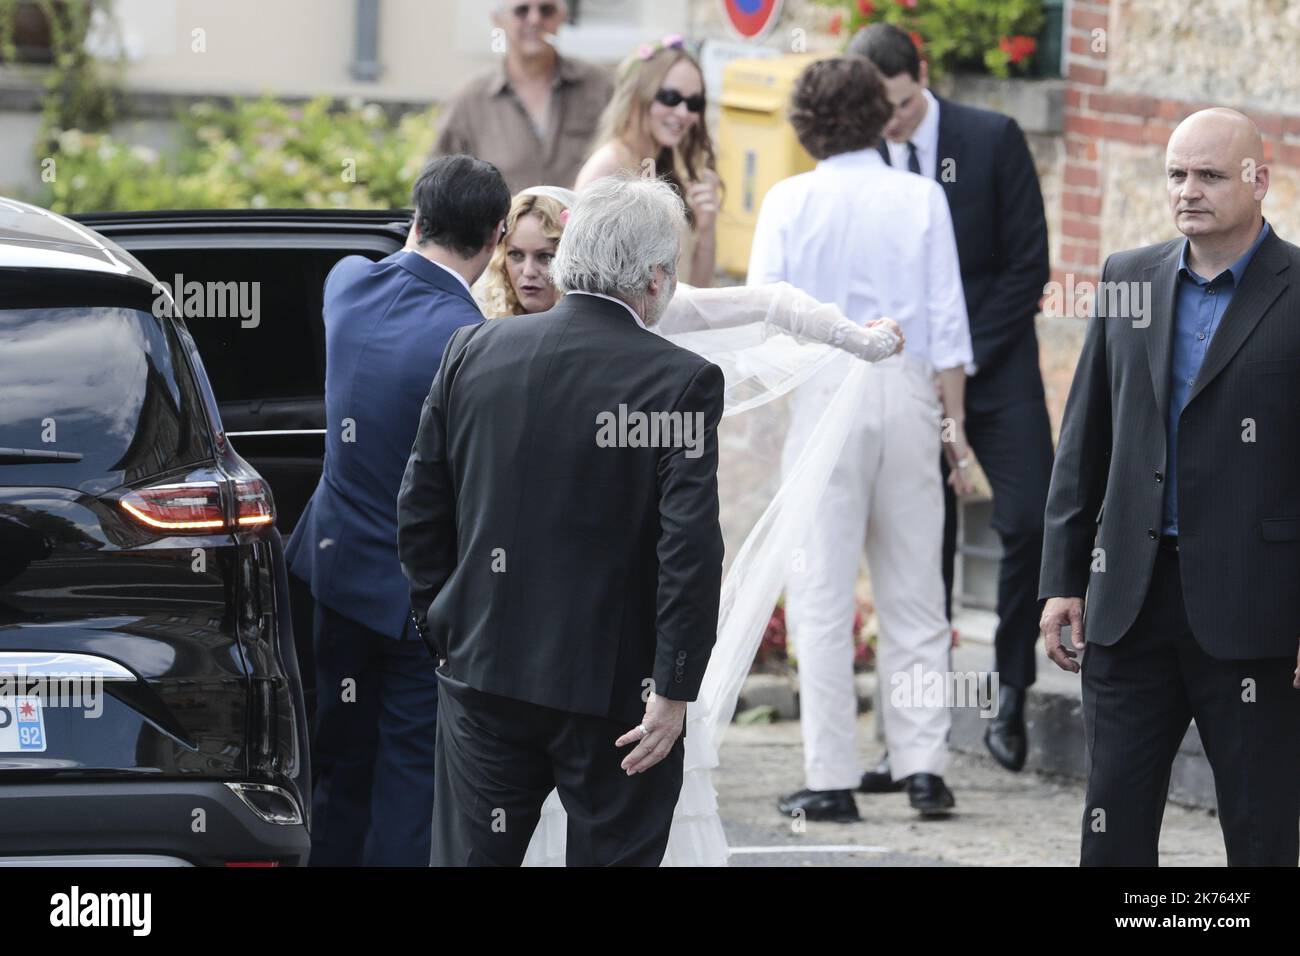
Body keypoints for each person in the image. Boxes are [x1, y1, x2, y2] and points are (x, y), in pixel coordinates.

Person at [1040, 108, 1300, 866]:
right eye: (1177, 174)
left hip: (1257, 612)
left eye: (1210, 175)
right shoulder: (1128, 276)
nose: (1188, 191)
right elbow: (1085, 435)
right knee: (1112, 828)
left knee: (1260, 832)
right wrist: (1062, 577)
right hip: (1129, 604)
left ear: (1260, 181)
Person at [751, 56, 974, 821]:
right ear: (879, 114)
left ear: (807, 123)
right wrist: (957, 434)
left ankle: (832, 775)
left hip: (822, 389)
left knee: (821, 589)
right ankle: (923, 767)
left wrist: (784, 411)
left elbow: (765, 319)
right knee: (916, 591)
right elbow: (947, 324)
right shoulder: (921, 197)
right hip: (907, 387)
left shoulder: (787, 200)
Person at [285, 156, 510, 866]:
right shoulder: (471, 341)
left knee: (338, 767)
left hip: (335, 578)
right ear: (497, 239)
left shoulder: (346, 284)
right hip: (420, 602)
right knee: (410, 781)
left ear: (416, 217)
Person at [849, 23, 1054, 781]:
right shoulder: (859, 152)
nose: (889, 124)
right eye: (877, 111)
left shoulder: (992, 137)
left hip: (997, 376)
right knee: (916, 553)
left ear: (921, 76)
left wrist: (960, 363)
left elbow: (1028, 263)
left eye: (899, 107)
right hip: (897, 379)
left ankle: (1010, 692)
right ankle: (910, 735)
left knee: (1029, 517)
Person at [574, 35, 721, 287]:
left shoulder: (680, 171)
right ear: (638, 96)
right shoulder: (607, 169)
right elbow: (578, 280)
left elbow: (695, 291)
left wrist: (706, 230)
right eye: (671, 98)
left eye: (694, 103)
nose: (684, 113)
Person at [432, 1, 612, 194]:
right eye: (522, 11)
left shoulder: (599, 87)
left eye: (546, 10)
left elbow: (631, 157)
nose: (535, 20)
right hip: (502, 223)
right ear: (498, 19)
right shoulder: (470, 100)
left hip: (583, 222)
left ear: (562, 17)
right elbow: (438, 183)